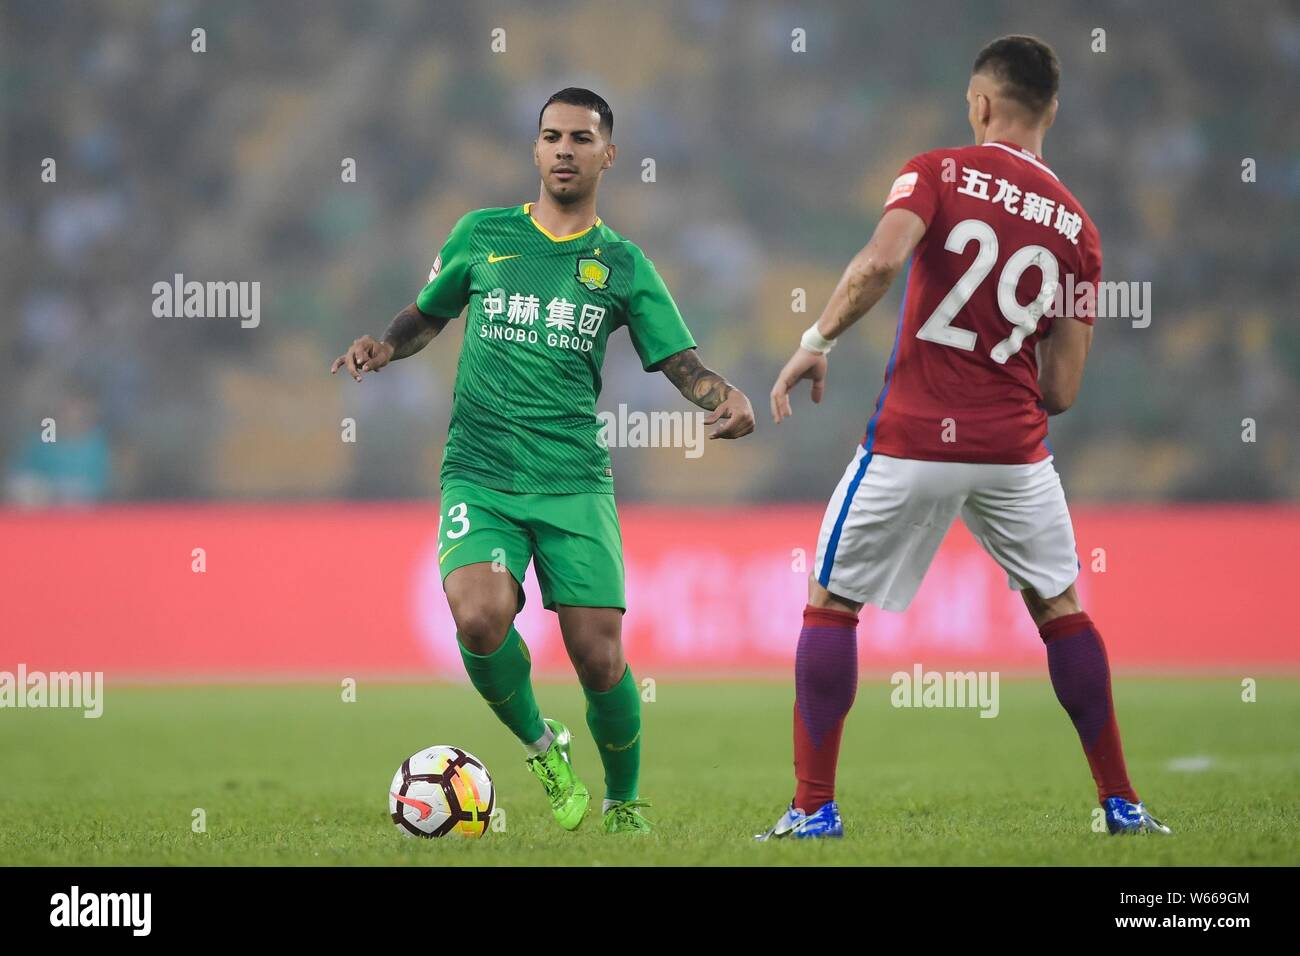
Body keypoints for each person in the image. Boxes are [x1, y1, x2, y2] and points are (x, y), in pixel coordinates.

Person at [760, 36, 1169, 839]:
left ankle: (813, 812)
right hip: (1015, 452)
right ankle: (1122, 803)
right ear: (1051, 111)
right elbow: (1062, 390)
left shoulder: (937, 171)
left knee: (831, 603)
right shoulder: (1080, 230)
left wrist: (818, 338)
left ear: (981, 104)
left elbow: (880, 264)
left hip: (911, 440)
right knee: (1061, 609)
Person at [333, 88, 755, 834]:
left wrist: (720, 395)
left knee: (598, 658)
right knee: (479, 618)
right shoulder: (483, 234)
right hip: (482, 471)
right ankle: (541, 746)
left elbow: (680, 362)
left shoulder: (621, 265)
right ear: (535, 151)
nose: (565, 149)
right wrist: (385, 344)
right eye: (552, 136)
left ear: (608, 155)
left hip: (572, 480)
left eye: (581, 138)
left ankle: (625, 803)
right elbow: (428, 312)